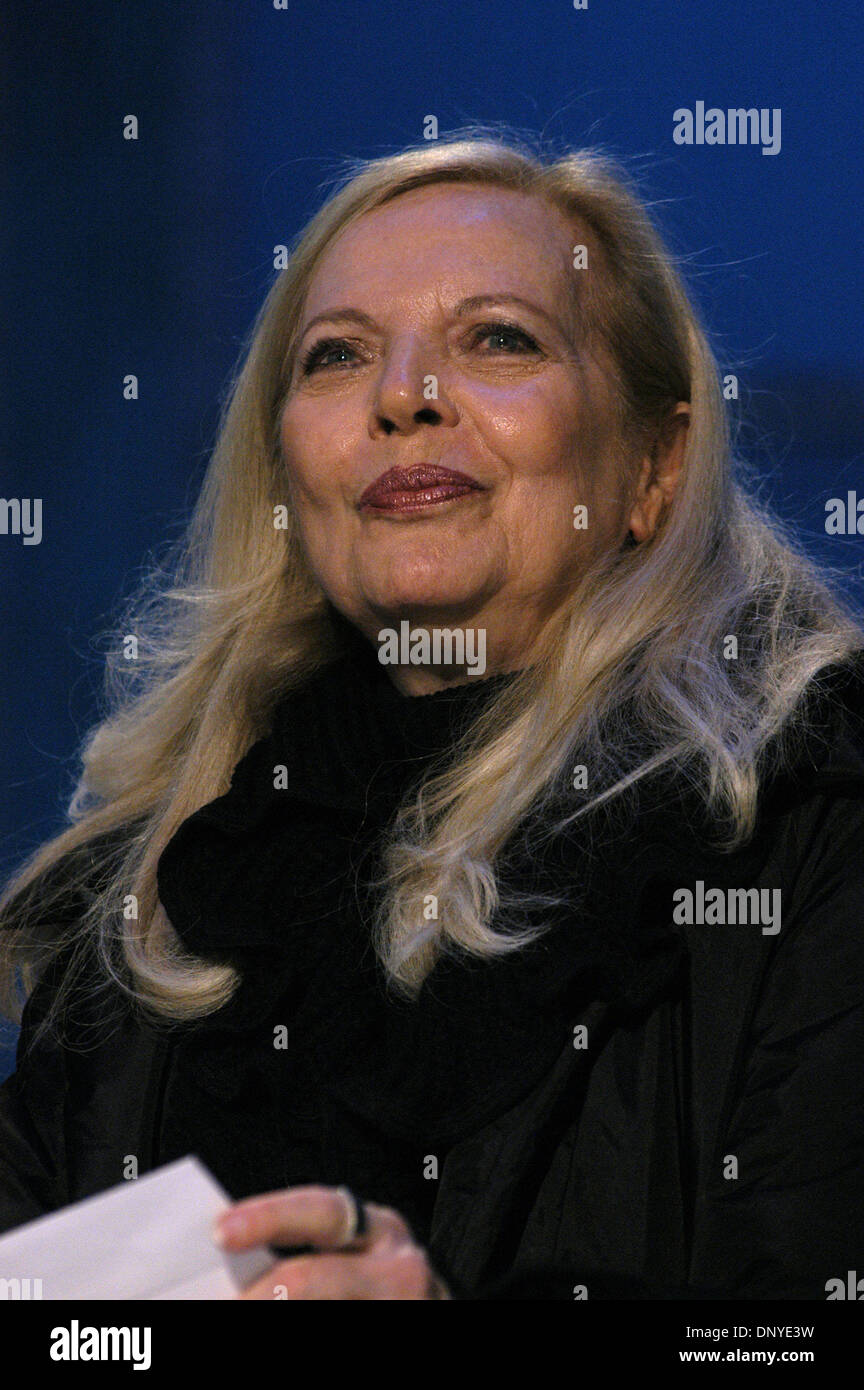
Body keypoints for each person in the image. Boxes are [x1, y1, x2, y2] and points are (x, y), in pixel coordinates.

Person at [2, 131, 864, 1300]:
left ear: (655, 465)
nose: (402, 398)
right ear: (287, 477)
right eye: (337, 356)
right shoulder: (147, 902)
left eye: (497, 339)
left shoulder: (816, 828)